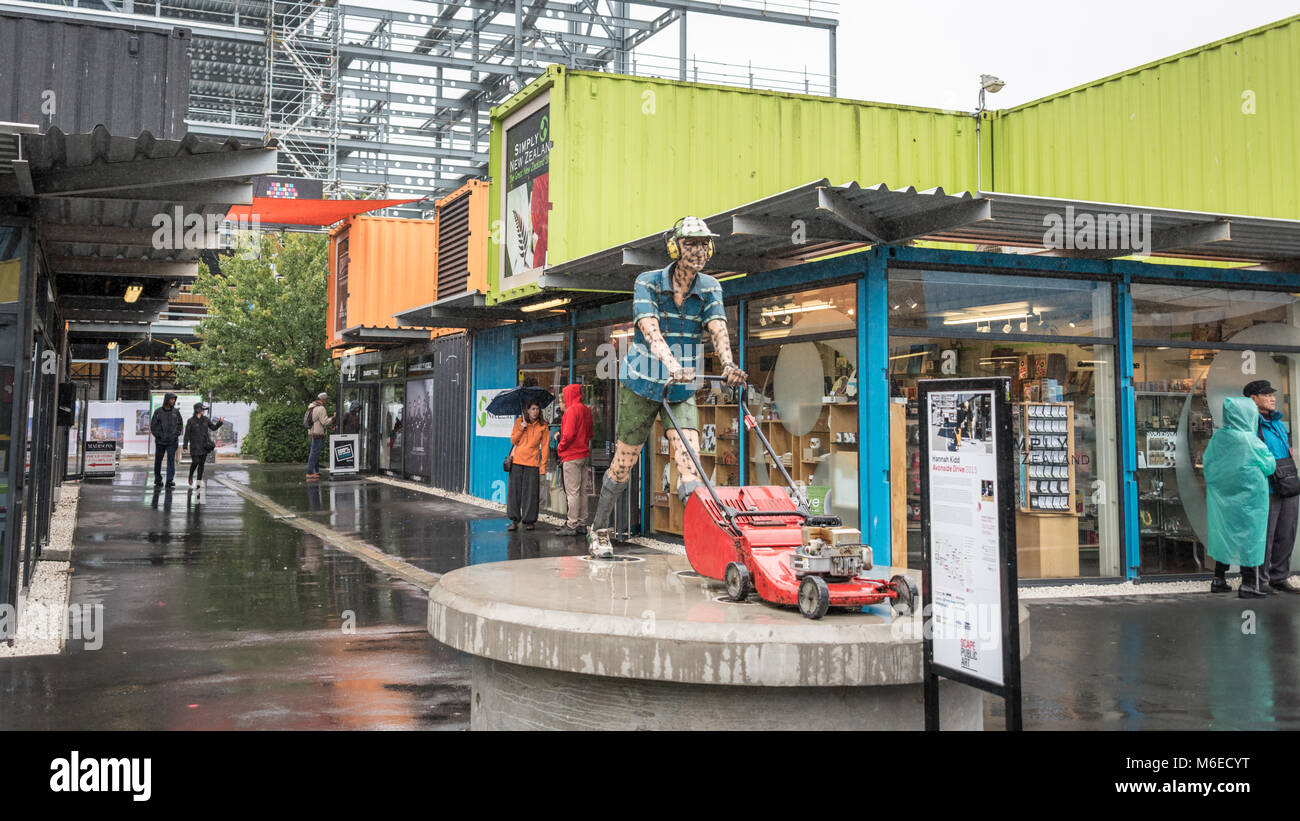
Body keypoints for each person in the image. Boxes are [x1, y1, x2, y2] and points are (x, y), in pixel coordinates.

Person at [587, 216, 746, 557]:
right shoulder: (647, 282)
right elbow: (649, 329)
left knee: (690, 466)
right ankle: (599, 529)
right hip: (642, 383)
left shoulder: (710, 287)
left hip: (680, 389)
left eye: (704, 243)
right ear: (675, 246)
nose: (699, 251)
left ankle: (707, 545)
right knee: (623, 463)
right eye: (691, 243)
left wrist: (729, 365)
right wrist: (672, 364)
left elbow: (717, 328)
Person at [1205, 395, 1276, 598]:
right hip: (1250, 500)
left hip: (1222, 499)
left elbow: (1208, 463)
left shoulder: (1219, 438)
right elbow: (1270, 466)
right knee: (1250, 538)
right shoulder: (1250, 440)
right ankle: (1248, 584)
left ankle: (1218, 579)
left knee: (1224, 535)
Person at [1245, 379, 1300, 593]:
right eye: (1266, 395)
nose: (1272, 398)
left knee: (1287, 533)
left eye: (1272, 394)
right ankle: (1261, 579)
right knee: (1265, 535)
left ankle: (1279, 577)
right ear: (1253, 399)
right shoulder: (1251, 423)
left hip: (1287, 483)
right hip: (1265, 487)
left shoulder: (1277, 423)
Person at [555, 383, 593, 536]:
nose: (560, 403)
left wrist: (560, 447)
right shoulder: (585, 409)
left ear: (567, 397)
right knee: (582, 491)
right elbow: (590, 433)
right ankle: (582, 523)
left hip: (571, 456)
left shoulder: (571, 411)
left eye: (561, 399)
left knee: (572, 492)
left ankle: (571, 524)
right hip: (584, 454)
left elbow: (568, 435)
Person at [507, 400, 548, 531]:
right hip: (517, 461)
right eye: (532, 409)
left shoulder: (543, 426)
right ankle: (514, 520)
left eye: (537, 409)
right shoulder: (520, 421)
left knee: (531, 493)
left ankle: (529, 520)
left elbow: (546, 447)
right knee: (515, 493)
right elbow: (513, 440)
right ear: (527, 410)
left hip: (532, 463)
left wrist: (543, 466)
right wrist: (521, 428)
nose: (535, 412)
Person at [183, 402, 224, 488]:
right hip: (194, 446)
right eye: (202, 409)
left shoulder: (206, 419)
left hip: (204, 445)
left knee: (201, 464)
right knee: (195, 462)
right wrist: (185, 446)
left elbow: (213, 428)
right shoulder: (190, 421)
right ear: (198, 410)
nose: (204, 411)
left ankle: (198, 482)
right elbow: (187, 434)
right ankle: (190, 475)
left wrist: (219, 422)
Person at [150, 392, 184, 487]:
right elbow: (153, 426)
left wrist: (176, 435)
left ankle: (169, 480)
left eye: (174, 399)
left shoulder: (176, 412)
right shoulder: (158, 412)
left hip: (172, 442)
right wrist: (159, 436)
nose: (173, 401)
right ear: (166, 399)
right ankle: (157, 479)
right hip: (160, 442)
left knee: (171, 460)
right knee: (158, 460)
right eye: (171, 399)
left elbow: (180, 425)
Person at [306, 392, 335, 480]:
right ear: (322, 399)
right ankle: (309, 472)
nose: (326, 401)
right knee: (314, 453)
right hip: (318, 433)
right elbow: (325, 422)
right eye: (326, 399)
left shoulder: (312, 406)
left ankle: (316, 471)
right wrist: (334, 418)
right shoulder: (321, 408)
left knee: (315, 452)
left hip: (313, 432)